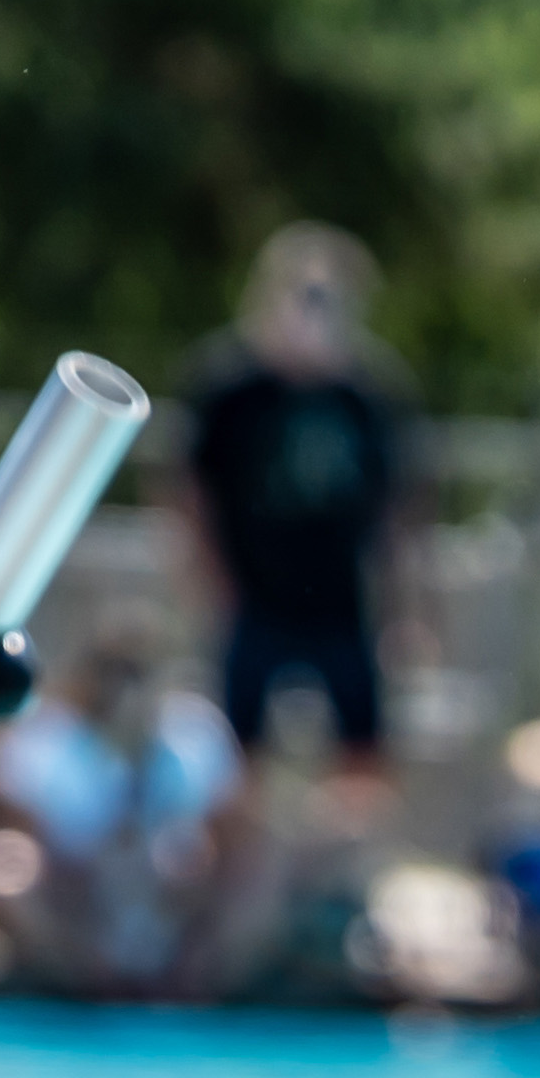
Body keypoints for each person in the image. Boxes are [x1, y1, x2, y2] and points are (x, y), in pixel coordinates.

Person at [178, 227, 414, 775]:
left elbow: (397, 509)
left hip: (340, 599)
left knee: (364, 746)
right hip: (254, 595)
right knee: (238, 747)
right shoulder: (230, 389)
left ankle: (340, 857)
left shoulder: (367, 395)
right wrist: (206, 579)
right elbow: (190, 494)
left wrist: (404, 604)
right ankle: (248, 856)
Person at [0, 613, 261, 997]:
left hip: (172, 906)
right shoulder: (43, 740)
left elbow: (234, 837)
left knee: (261, 864)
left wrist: (185, 872)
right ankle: (88, 981)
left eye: (139, 673)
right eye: (117, 671)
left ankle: (197, 979)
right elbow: (13, 841)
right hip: (78, 909)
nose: (128, 688)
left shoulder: (197, 734)